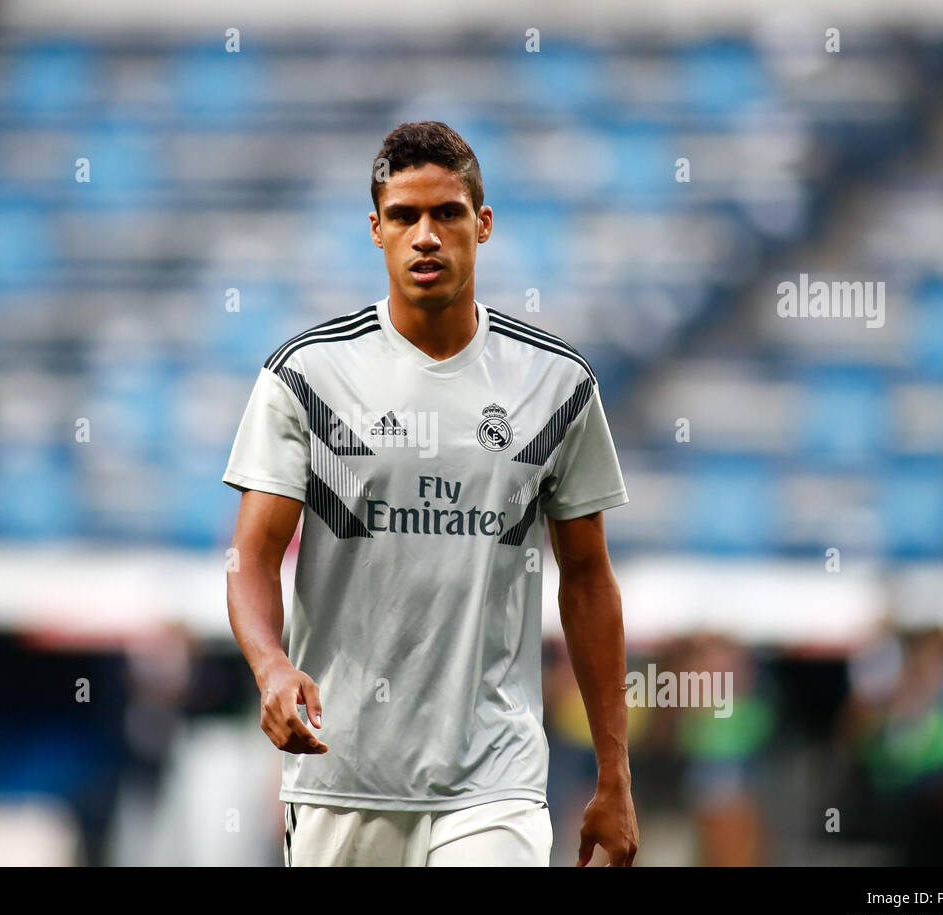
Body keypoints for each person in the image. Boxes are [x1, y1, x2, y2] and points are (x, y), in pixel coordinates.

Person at [223, 121, 636, 867]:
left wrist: (616, 773)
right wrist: (271, 666)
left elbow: (588, 579)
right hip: (339, 774)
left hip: (495, 775)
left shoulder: (556, 387)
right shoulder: (306, 377)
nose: (426, 235)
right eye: (405, 216)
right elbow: (250, 557)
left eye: (446, 213)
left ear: (481, 224)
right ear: (375, 229)